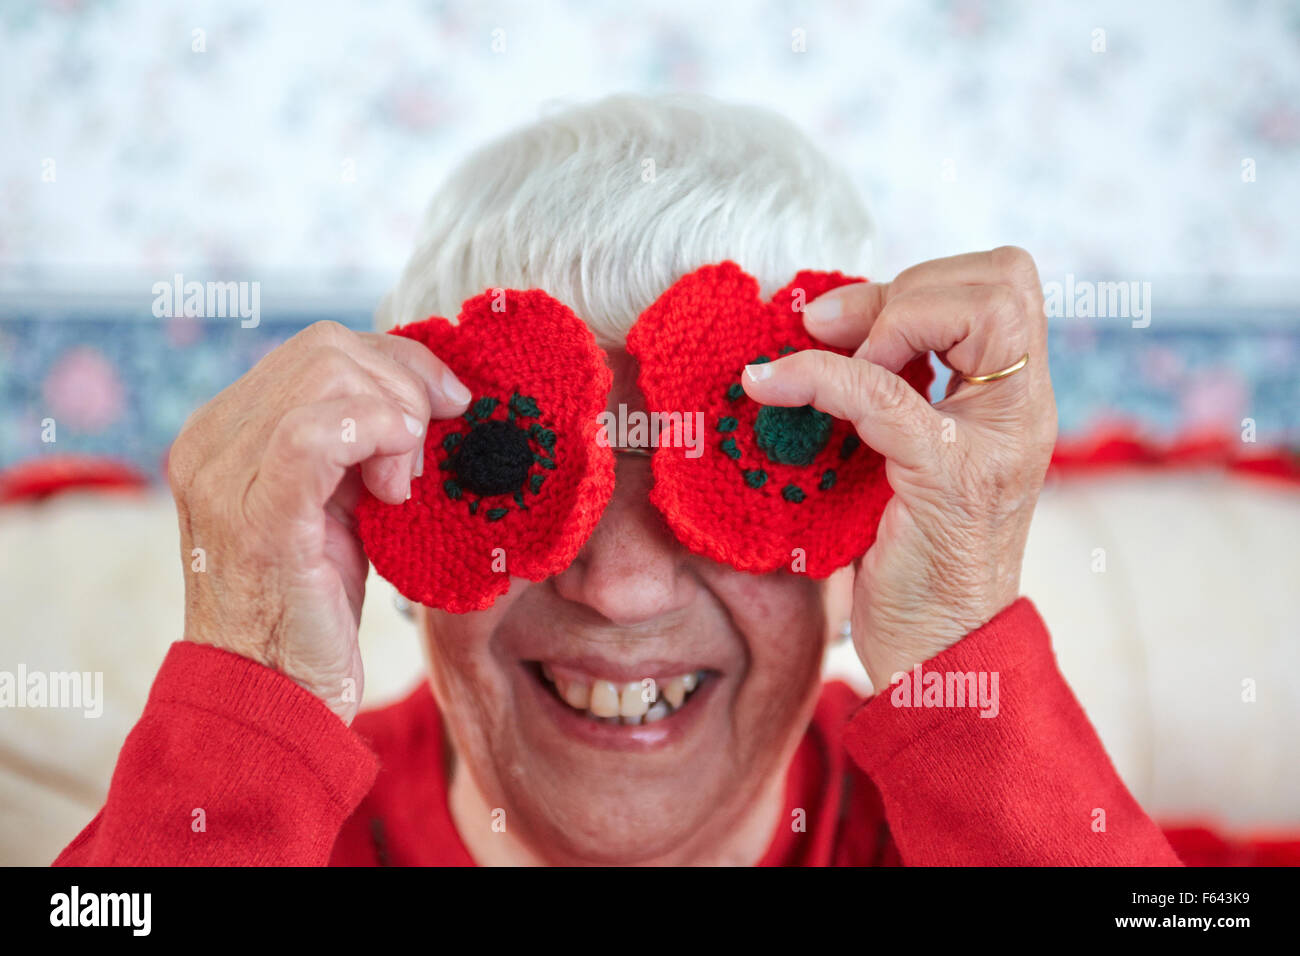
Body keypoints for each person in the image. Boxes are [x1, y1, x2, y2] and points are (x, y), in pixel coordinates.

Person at [54, 94, 1179, 866]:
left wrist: (960, 646)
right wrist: (251, 682)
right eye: (512, 471)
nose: (623, 589)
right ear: (390, 526)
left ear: (854, 529)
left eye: (744, 473)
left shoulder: (1004, 817)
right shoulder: (250, 821)